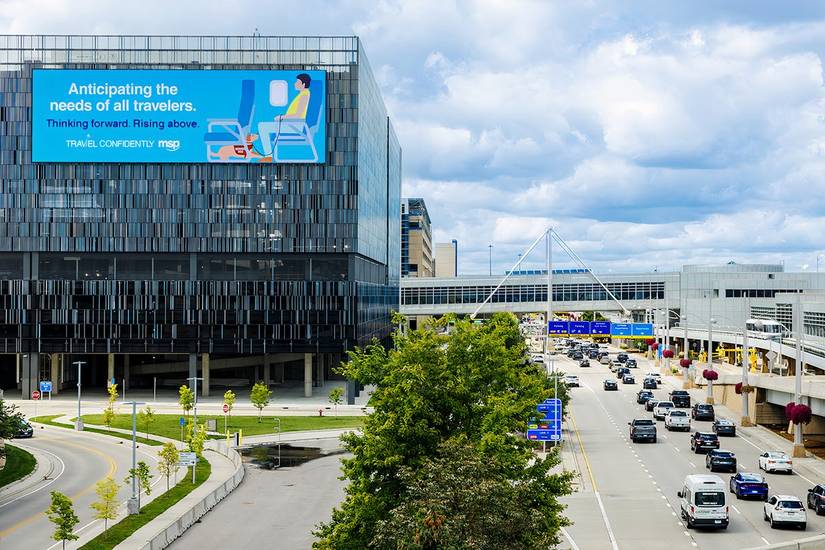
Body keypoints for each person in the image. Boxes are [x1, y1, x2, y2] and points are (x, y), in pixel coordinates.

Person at [258, 73, 311, 157]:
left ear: (303, 84)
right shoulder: (302, 94)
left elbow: (298, 115)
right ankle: (268, 156)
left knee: (262, 127)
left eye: (297, 82)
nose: (295, 84)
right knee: (264, 126)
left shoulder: (304, 95)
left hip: (295, 126)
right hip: (291, 124)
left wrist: (282, 117)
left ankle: (268, 157)